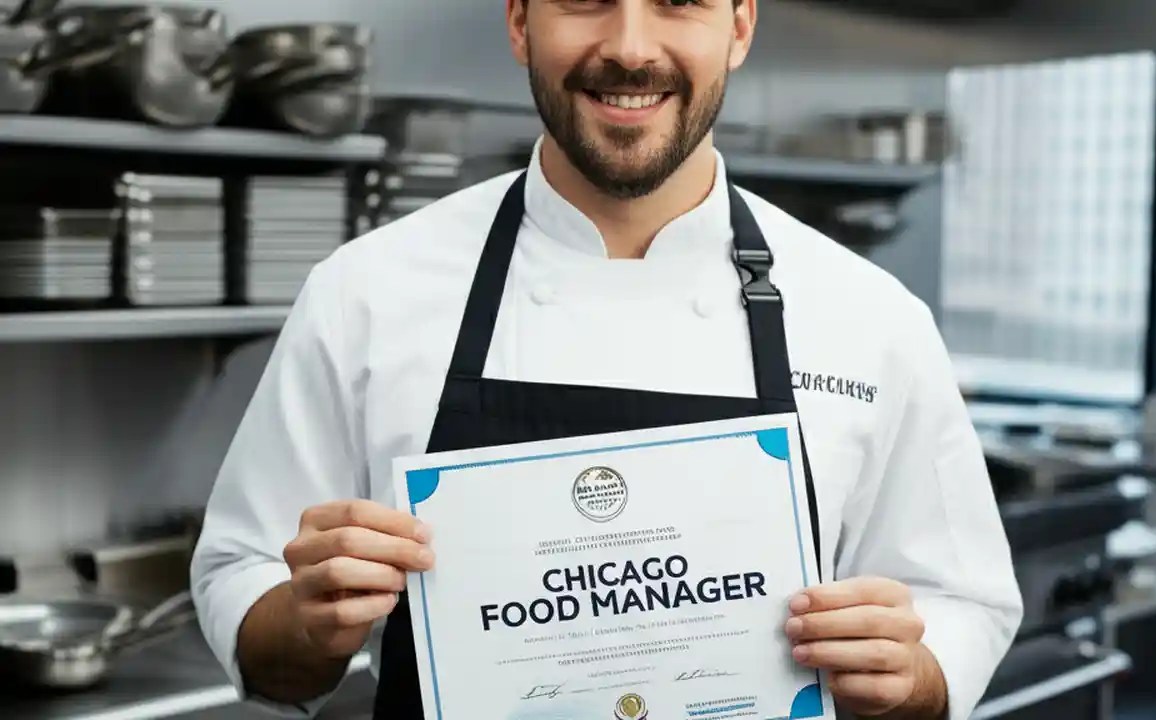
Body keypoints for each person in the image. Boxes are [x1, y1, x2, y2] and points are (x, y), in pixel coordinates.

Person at [190, 1, 1023, 718]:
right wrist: (305, 625)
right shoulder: (366, 292)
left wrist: (911, 677)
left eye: (678, 2)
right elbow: (240, 575)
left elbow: (963, 604)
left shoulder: (872, 319)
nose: (629, 44)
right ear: (520, 22)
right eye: (585, 0)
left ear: (739, 25)